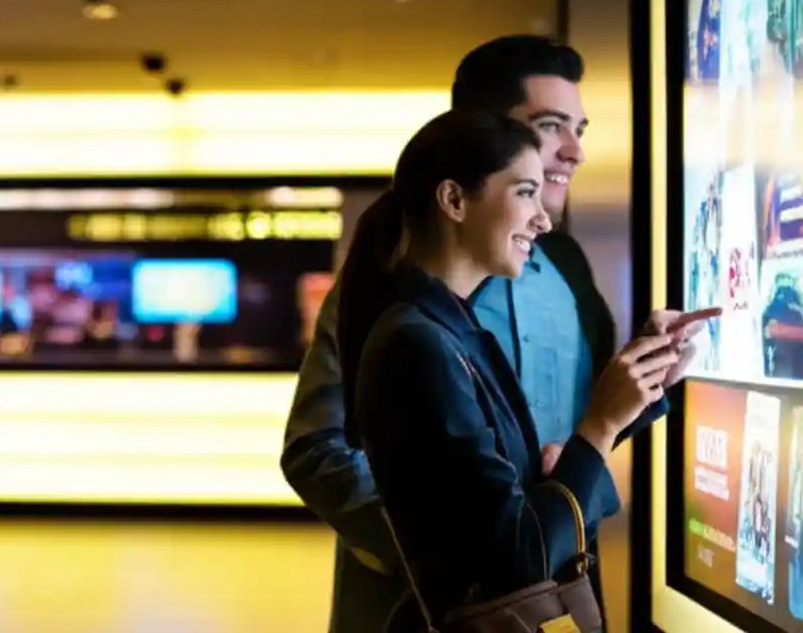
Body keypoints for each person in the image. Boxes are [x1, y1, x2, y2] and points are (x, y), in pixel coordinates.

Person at [280, 36, 705, 632]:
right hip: (430, 607)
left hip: (554, 592)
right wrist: (442, 548)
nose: (573, 150)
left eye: (578, 127)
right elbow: (316, 450)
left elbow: (583, 434)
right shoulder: (390, 289)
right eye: (550, 126)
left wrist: (650, 375)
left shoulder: (569, 271)